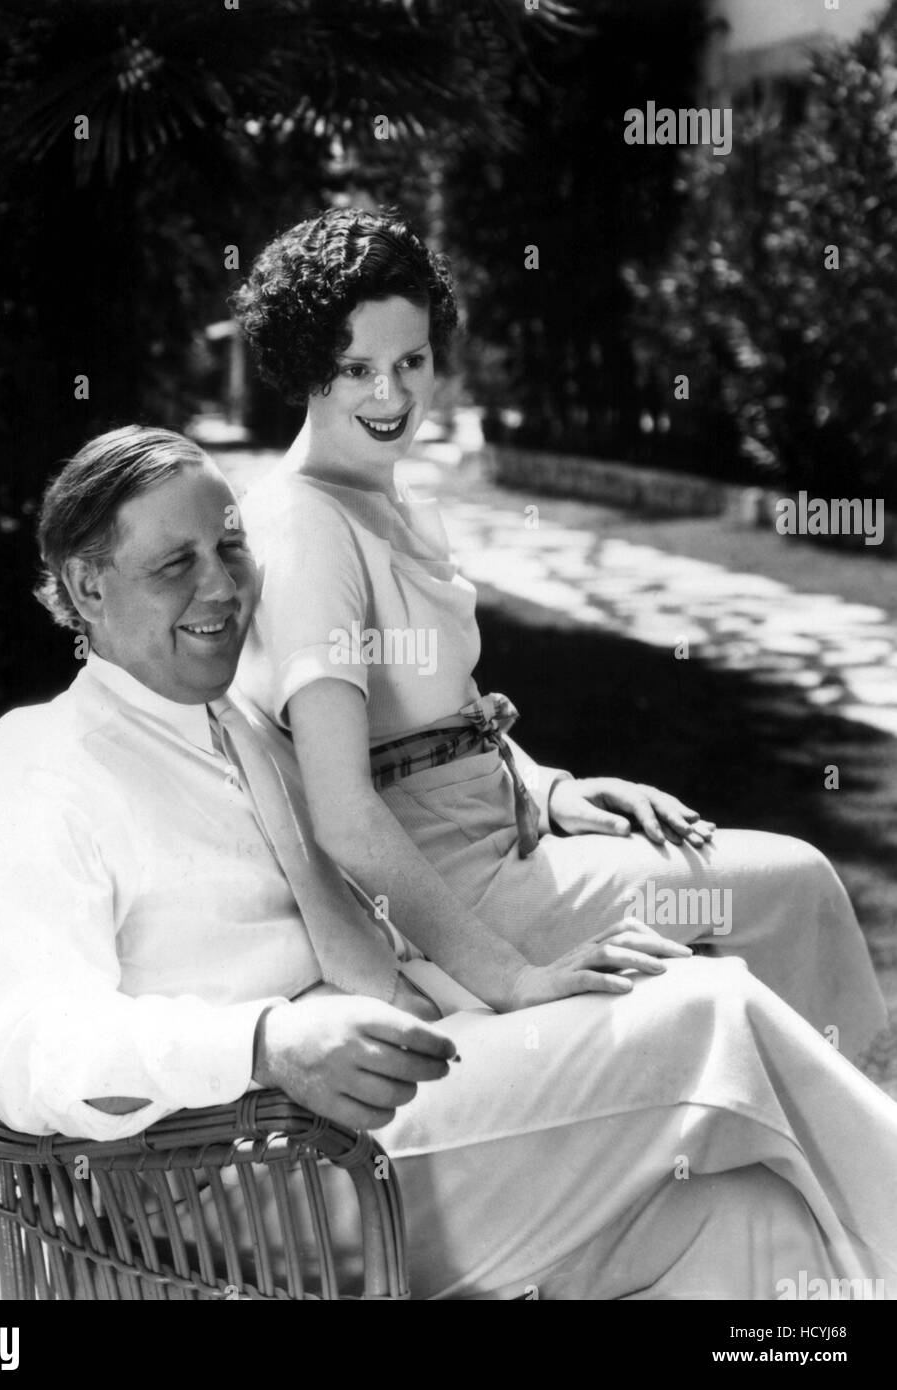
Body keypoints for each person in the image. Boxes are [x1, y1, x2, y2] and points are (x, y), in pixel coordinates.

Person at [0, 425, 897, 1300]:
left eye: (231, 547)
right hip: (247, 1180)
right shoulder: (34, 771)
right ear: (85, 588)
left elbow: (422, 754)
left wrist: (549, 805)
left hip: (401, 1111)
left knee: (745, 1228)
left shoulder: (242, 728)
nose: (223, 589)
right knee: (710, 1013)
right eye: (174, 565)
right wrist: (263, 1043)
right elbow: (27, 1048)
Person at [230, 205, 887, 1061]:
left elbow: (435, 719)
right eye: (355, 368)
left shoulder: (372, 498)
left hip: (503, 841)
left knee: (782, 891)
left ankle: (825, 1163)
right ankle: (869, 1172)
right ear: (303, 365)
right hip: (464, 896)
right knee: (794, 888)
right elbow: (344, 814)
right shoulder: (307, 528)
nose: (390, 395)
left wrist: (548, 789)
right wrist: (507, 977)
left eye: (411, 360)